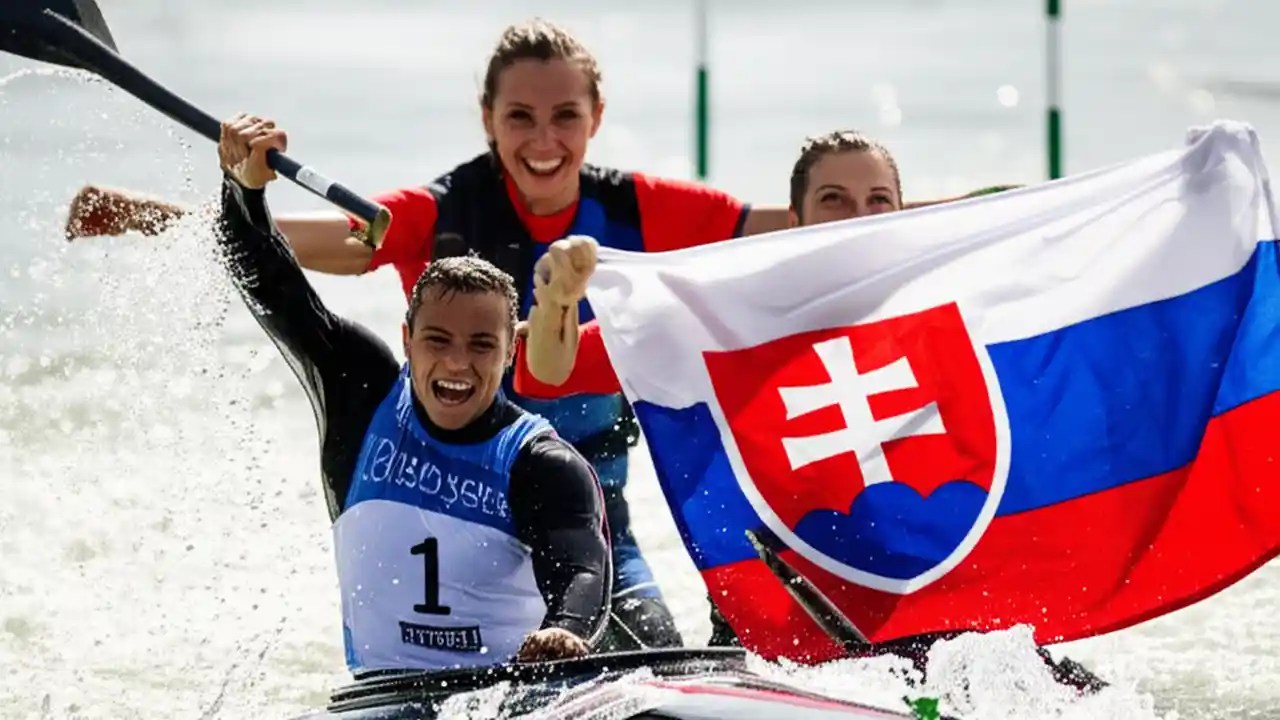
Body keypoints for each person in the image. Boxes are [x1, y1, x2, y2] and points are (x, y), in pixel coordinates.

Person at [62, 20, 991, 650]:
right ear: (487, 120)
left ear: (594, 120)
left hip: (590, 511)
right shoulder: (444, 206)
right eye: (521, 117)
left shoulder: (644, 207)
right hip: (448, 493)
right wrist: (163, 214)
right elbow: (322, 247)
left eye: (563, 117)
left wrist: (1001, 207)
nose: (543, 139)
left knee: (654, 667)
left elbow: (797, 224)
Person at [522, 131, 1105, 694]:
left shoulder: (945, 299)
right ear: (794, 221)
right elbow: (550, 370)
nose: (857, 217)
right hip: (783, 630)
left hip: (931, 619)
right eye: (834, 201)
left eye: (878, 201)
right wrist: (557, 301)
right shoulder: (727, 312)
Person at [211, 112, 610, 674]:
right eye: (437, 340)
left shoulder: (541, 464)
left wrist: (565, 633)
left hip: (503, 700)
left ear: (510, 352)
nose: (455, 364)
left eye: (480, 346)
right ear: (407, 339)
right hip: (377, 698)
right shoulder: (362, 396)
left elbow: (582, 572)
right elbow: (267, 281)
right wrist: (243, 189)